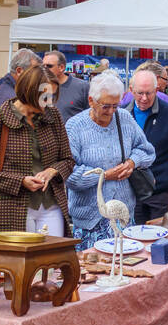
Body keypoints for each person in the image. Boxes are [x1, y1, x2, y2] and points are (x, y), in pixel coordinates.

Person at [0, 64, 75, 236]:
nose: (49, 102)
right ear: (29, 91)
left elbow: (68, 160)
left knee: (53, 259)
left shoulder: (53, 115)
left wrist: (53, 171)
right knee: (21, 262)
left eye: (52, 96)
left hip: (51, 204)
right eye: (45, 96)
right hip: (13, 209)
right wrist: (21, 181)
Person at [65, 73, 155, 249]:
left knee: (124, 267)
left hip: (123, 216)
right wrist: (104, 176)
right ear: (91, 100)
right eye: (106, 106)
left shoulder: (124, 118)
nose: (111, 112)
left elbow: (147, 151)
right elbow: (69, 175)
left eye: (116, 105)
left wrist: (132, 162)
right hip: (89, 221)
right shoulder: (75, 127)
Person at [128, 70, 168, 224]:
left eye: (149, 93)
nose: (144, 98)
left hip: (162, 192)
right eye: (140, 93)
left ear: (157, 90)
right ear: (131, 91)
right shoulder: (124, 114)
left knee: (160, 238)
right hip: (132, 192)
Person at [41, 49, 91, 123]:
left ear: (61, 67)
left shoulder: (83, 87)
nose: (44, 69)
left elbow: (91, 116)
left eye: (49, 66)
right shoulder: (39, 88)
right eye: (42, 66)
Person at [0, 48, 40, 113]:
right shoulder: (10, 98)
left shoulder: (5, 85)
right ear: (19, 71)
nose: (37, 76)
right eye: (34, 72)